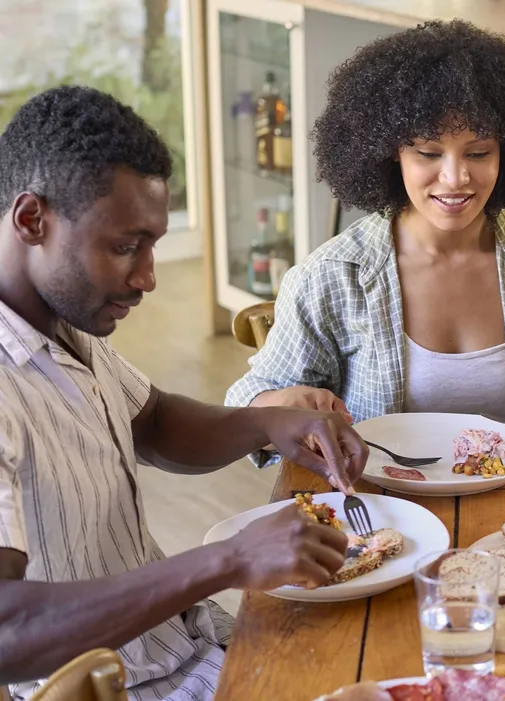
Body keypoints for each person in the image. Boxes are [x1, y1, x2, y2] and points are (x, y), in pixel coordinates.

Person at [0, 86, 369, 700]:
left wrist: (267, 424)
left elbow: (156, 423)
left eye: (151, 246)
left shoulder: (60, 319)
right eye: (125, 247)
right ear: (32, 220)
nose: (146, 277)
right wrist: (226, 561)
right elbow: (6, 629)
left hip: (193, 647)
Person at [225, 21, 505, 448]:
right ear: (392, 152)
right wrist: (278, 403)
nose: (456, 177)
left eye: (479, 153)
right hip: (384, 506)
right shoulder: (331, 277)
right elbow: (246, 404)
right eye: (428, 153)